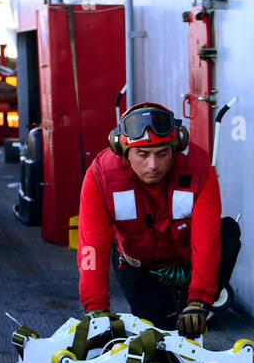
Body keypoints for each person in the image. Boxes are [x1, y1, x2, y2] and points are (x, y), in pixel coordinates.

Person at [77, 101, 239, 336]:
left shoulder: (200, 171)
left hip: (186, 262)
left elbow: (206, 240)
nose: (153, 165)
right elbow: (91, 245)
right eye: (142, 154)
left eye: (162, 153)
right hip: (138, 268)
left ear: (175, 147)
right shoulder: (101, 176)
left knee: (228, 233)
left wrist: (200, 298)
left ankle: (197, 299)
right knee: (157, 336)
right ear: (123, 151)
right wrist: (96, 309)